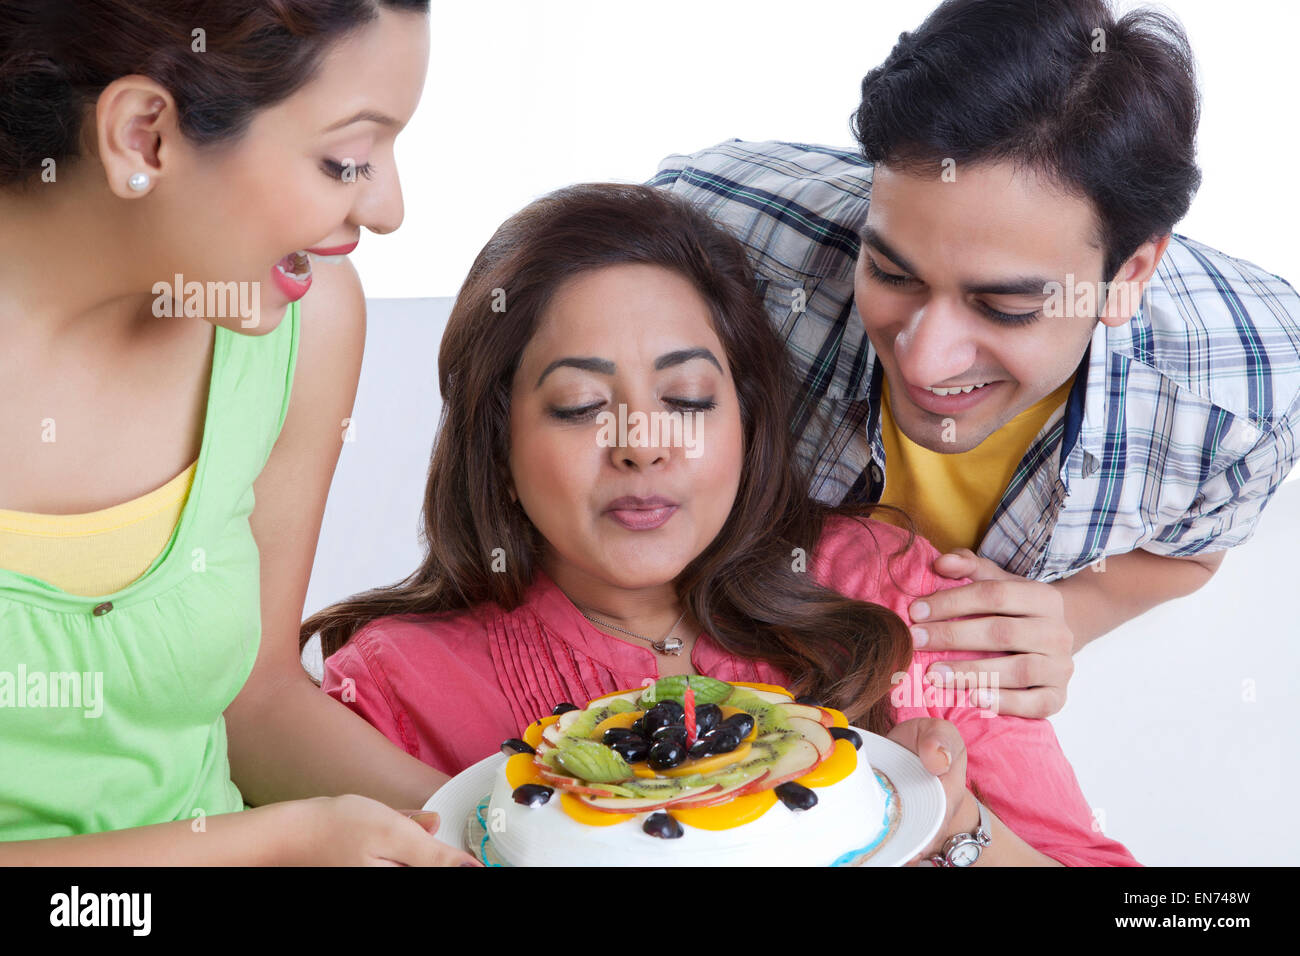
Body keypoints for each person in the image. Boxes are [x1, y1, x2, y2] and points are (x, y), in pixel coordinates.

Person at [308, 183, 1138, 866]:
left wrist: (957, 827)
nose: (643, 446)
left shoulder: (896, 594)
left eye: (689, 399)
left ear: (747, 415)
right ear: (499, 438)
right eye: (581, 406)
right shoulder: (392, 687)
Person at [649, 0, 1300, 721]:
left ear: (1130, 275)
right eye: (892, 274)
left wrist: (1064, 616)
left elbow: (1193, 551)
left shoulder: (1249, 400)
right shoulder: (709, 236)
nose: (925, 363)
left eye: (1006, 306)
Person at [0, 0, 476, 865]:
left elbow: (255, 703)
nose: (389, 209)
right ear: (145, 136)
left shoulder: (305, 323)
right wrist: (271, 844)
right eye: (349, 158)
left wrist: (509, 823)